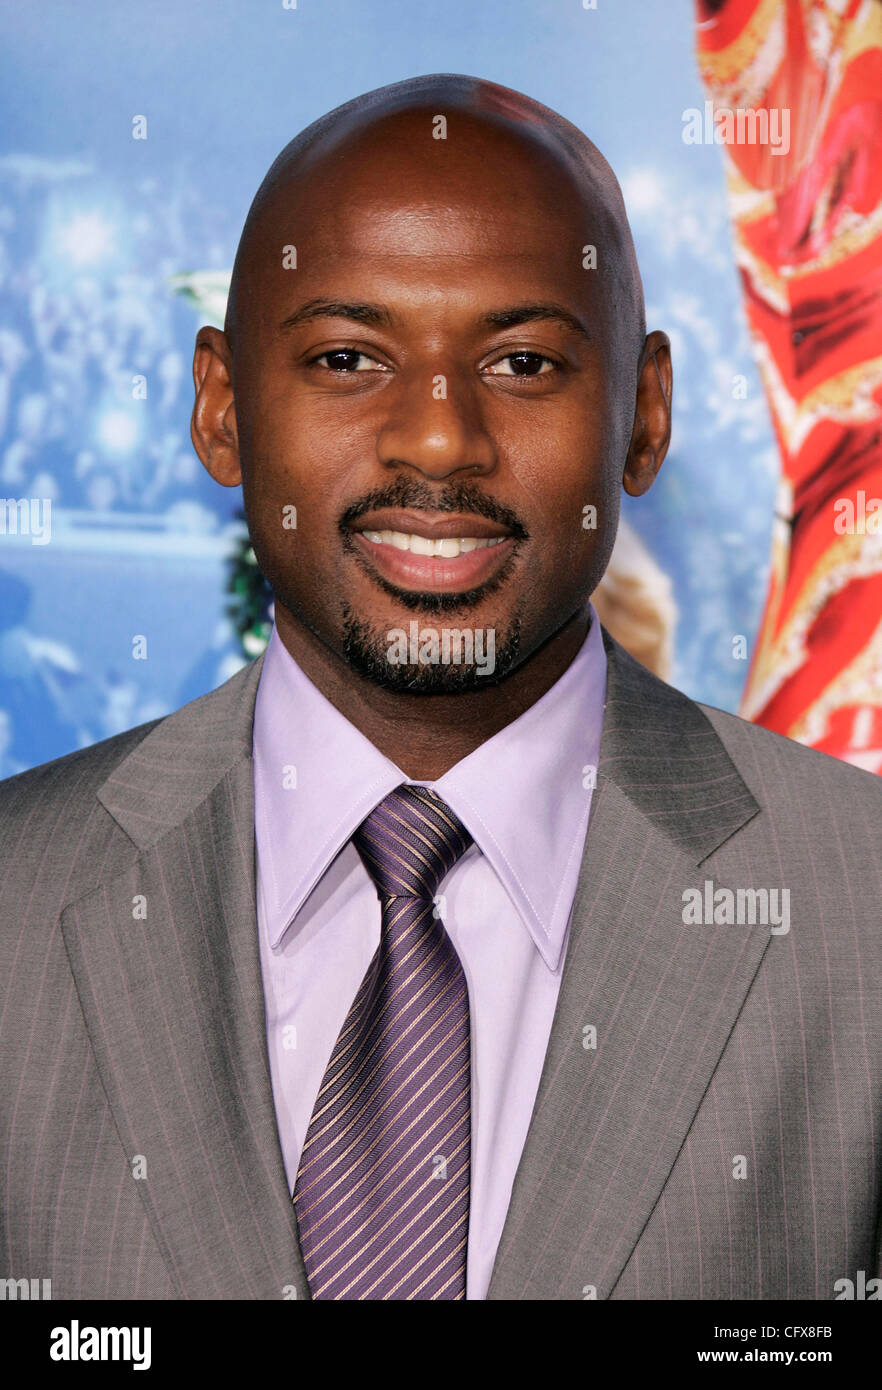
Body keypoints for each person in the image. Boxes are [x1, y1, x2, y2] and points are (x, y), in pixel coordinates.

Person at [1, 73, 879, 1302]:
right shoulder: (13, 906)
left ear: (644, 413)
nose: (437, 438)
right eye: (349, 356)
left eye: (522, 361)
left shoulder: (862, 908)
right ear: (220, 408)